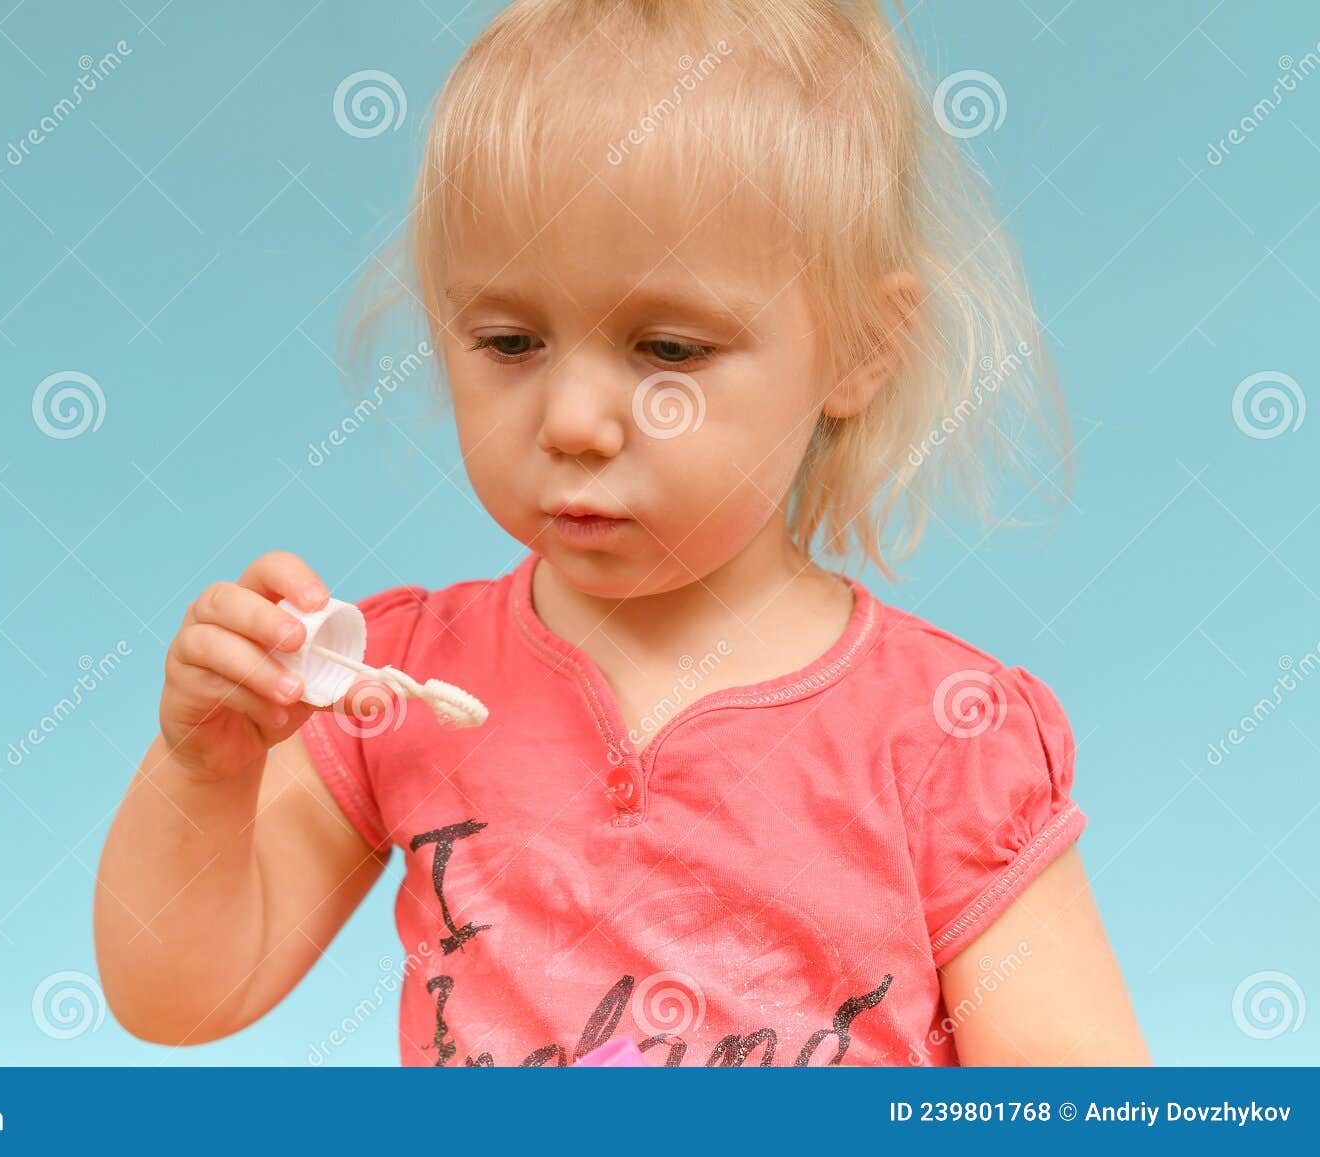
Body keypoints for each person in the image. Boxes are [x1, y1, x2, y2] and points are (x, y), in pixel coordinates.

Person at [94, 0, 1148, 1066]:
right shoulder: (399, 685)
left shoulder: (938, 735)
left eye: (668, 349)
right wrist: (205, 774)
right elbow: (180, 997)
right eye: (510, 340)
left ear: (860, 349)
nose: (571, 422)